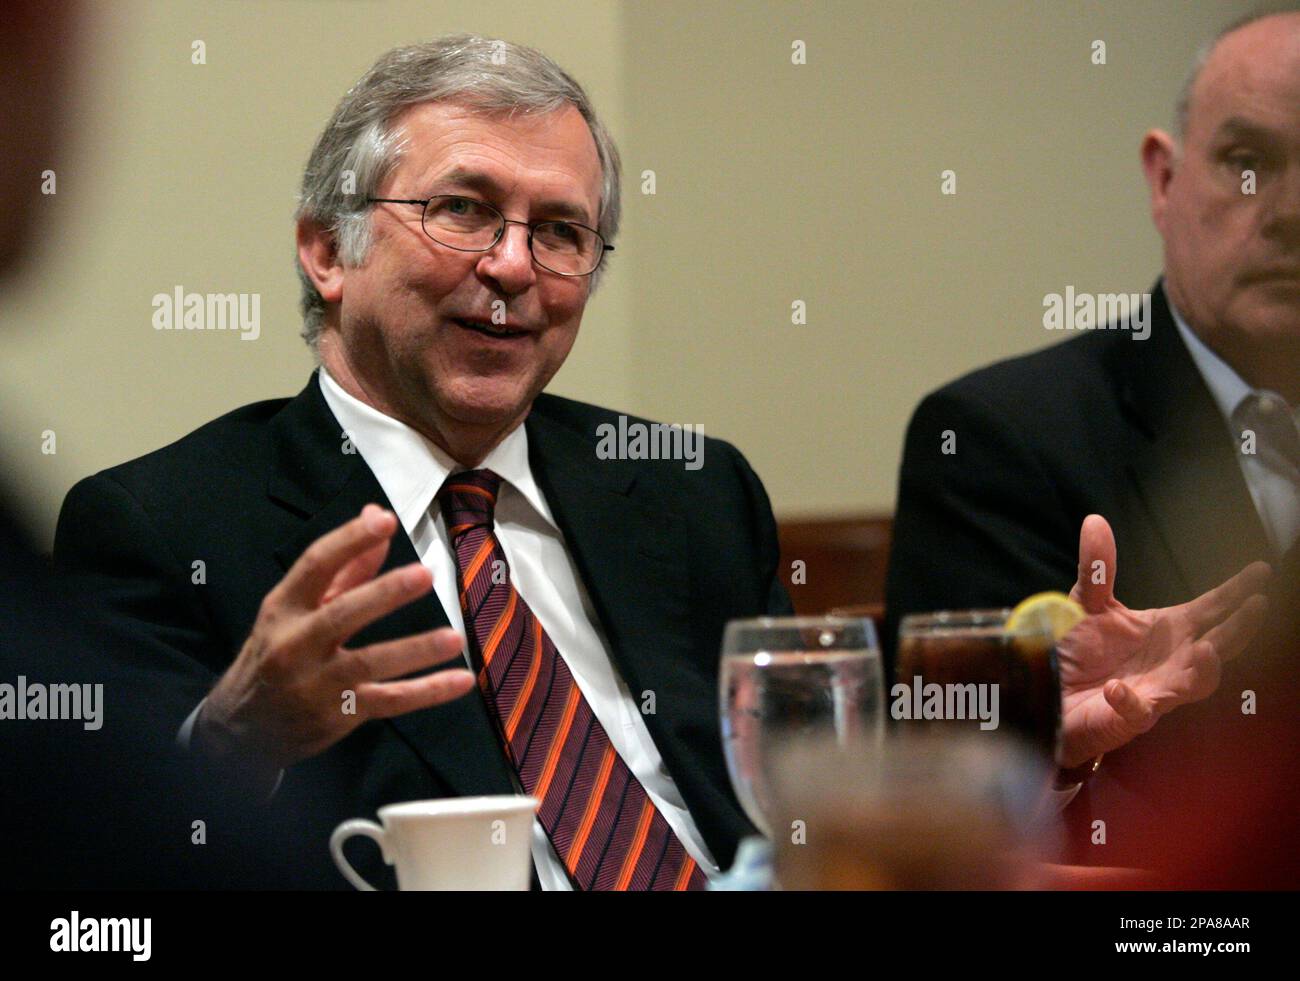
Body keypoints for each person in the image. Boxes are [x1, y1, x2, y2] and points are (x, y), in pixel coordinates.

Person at [55, 34, 1269, 891]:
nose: (515, 266)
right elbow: (87, 901)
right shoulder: (164, 520)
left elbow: (811, 816)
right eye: (467, 210)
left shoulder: (684, 488)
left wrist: (1025, 731)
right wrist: (241, 736)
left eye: (564, 232)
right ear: (328, 249)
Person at [884, 9, 1300, 881]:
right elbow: (957, 817)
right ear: (1163, 178)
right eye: (1248, 162)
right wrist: (1060, 758)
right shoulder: (997, 440)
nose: (1291, 211)